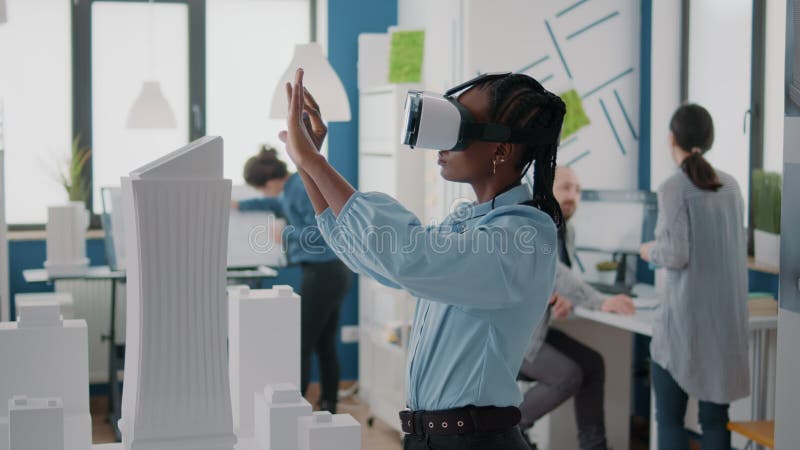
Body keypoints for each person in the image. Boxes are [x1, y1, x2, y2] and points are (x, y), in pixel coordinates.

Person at [282, 69, 565, 450]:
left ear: (501, 150)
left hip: (474, 441)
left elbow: (406, 254)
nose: (441, 144)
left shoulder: (521, 237)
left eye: (460, 128)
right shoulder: (468, 222)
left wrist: (316, 164)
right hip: (433, 437)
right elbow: (370, 256)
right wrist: (308, 162)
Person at [640, 104, 749, 450]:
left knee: (670, 418)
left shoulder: (675, 187)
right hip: (725, 324)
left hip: (684, 324)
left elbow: (675, 254)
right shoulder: (731, 186)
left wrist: (649, 251)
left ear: (672, 138)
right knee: (716, 419)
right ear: (709, 139)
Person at [517, 165, 635, 450]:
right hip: (513, 340)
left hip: (535, 333)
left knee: (593, 364)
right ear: (546, 191)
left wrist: (563, 295)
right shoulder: (533, 226)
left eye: (578, 190)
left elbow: (554, 279)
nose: (573, 196)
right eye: (566, 187)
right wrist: (600, 300)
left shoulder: (566, 232)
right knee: (568, 376)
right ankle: (502, 427)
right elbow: (552, 271)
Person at [233, 142, 352, 414]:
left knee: (301, 342)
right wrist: (239, 204)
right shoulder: (292, 187)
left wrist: (285, 234)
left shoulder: (298, 189)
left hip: (323, 272)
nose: (263, 193)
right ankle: (328, 405)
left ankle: (293, 408)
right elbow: (273, 202)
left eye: (261, 188)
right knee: (323, 344)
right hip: (332, 271)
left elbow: (321, 230)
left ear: (271, 180)